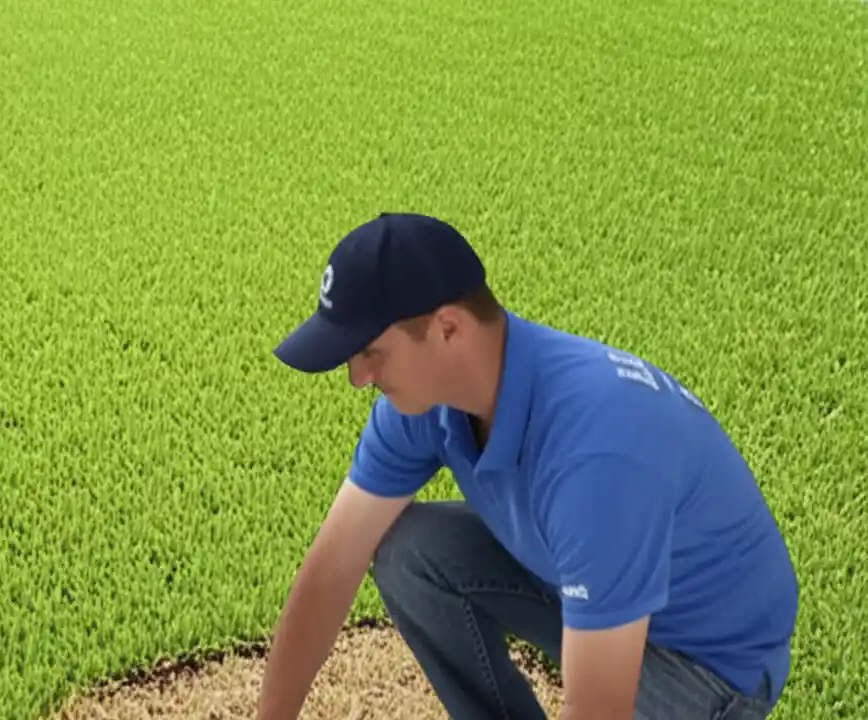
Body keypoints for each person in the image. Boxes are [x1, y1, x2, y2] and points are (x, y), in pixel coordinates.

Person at [255, 213, 799, 720]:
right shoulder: (422, 404)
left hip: (705, 667)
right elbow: (332, 566)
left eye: (370, 352)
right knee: (410, 549)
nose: (357, 377)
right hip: (594, 594)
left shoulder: (596, 452)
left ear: (447, 328)